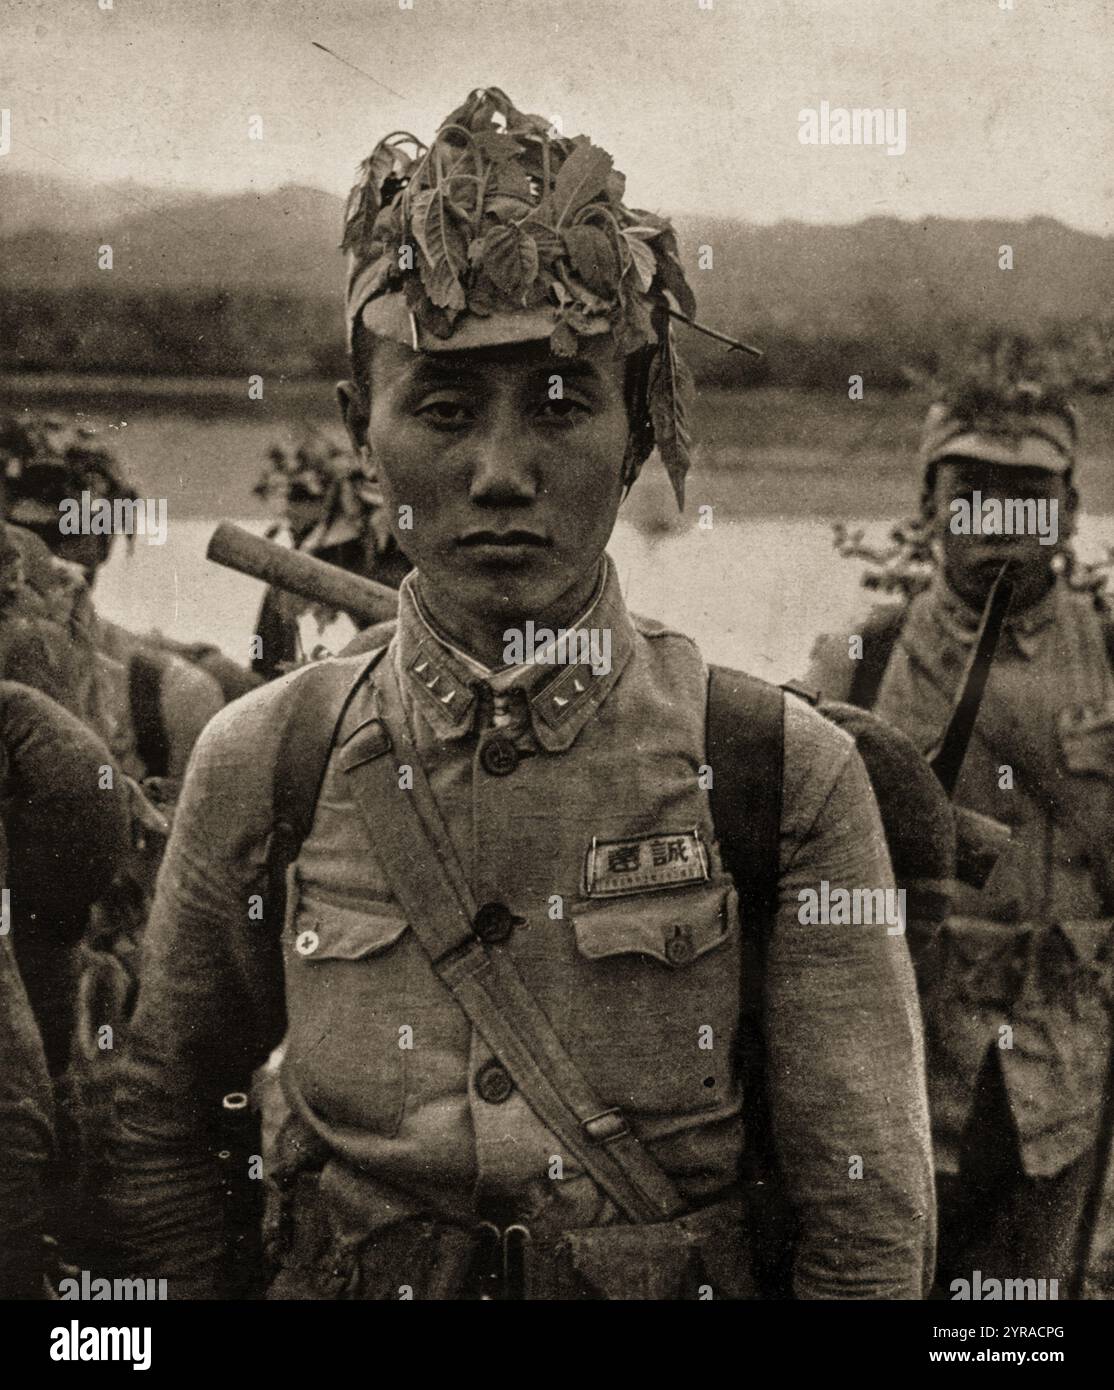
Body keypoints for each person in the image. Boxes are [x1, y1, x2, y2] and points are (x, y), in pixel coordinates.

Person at [109, 86, 933, 1301]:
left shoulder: (774, 770)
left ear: (639, 432)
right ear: (361, 430)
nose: (499, 472)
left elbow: (864, 1223)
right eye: (442, 409)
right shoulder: (264, 758)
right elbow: (164, 1131)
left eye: (561, 404)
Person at [807, 374, 1114, 1297]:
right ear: (929, 504)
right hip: (903, 1070)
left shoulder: (1110, 651)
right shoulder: (861, 660)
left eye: (1029, 494)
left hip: (1064, 1066)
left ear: (1068, 509)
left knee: (1022, 1322)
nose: (1003, 518)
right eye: (974, 491)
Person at [251, 431, 411, 680]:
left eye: (302, 497)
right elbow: (265, 666)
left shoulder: (384, 562)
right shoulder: (285, 576)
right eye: (288, 498)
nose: (289, 511)